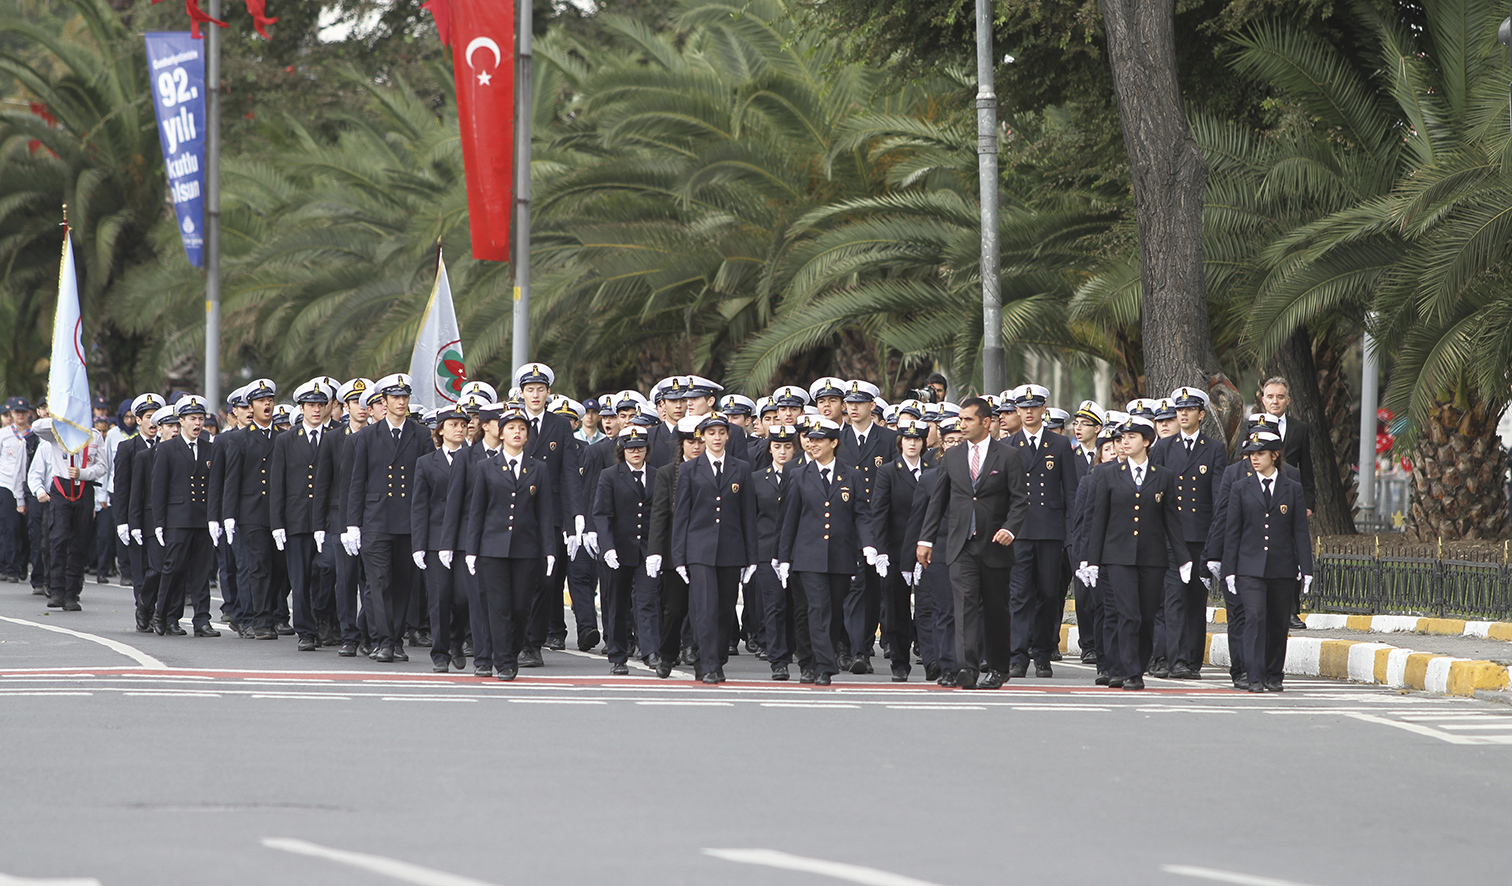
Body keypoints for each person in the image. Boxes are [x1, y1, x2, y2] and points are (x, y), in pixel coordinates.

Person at [916, 398, 1027, 690]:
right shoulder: (952, 457)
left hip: (994, 544)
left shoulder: (1008, 456)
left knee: (995, 610)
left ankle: (998, 667)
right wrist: (926, 540)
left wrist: (1010, 529)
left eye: (967, 420)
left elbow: (1020, 500)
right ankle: (967, 667)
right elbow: (938, 501)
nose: (961, 425)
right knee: (963, 606)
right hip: (960, 544)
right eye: (960, 419)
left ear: (986, 422)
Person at [1082, 416, 1192, 690]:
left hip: (1152, 558)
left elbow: (1172, 521)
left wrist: (1183, 558)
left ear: (1146, 441)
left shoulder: (1163, 476)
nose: (1125, 442)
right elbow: (1099, 520)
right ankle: (1128, 671)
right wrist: (1092, 559)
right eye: (1122, 438)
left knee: (1145, 616)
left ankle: (1137, 666)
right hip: (1117, 558)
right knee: (1127, 614)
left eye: (1131, 437)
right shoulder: (1108, 474)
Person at [777, 418, 881, 686]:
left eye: (819, 440)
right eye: (810, 440)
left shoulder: (852, 475)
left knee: (834, 612)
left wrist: (869, 544)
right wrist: (784, 557)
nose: (813, 444)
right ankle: (824, 666)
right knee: (817, 608)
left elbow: (861, 514)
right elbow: (789, 518)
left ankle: (813, 659)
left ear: (834, 443)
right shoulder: (798, 475)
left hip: (841, 555)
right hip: (808, 556)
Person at [344, 373, 431, 663]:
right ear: (383, 402)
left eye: (405, 397)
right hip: (376, 520)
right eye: (395, 397)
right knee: (379, 583)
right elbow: (357, 483)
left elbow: (428, 481)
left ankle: (396, 638)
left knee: (403, 584)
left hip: (408, 521)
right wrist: (353, 524)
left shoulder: (419, 435)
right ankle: (384, 641)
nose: (401, 402)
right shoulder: (368, 436)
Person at [461, 406, 553, 681]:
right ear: (500, 433)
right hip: (492, 549)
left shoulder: (539, 468)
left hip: (526, 549)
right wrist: (471, 550)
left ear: (528, 436)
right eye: (511, 428)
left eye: (522, 429)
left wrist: (549, 550)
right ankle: (503, 663)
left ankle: (510, 653)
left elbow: (545, 513)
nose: (517, 432)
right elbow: (477, 511)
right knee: (498, 608)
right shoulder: (485, 467)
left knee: (520, 607)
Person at [670, 412, 759, 683]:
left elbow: (748, 514)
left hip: (732, 550)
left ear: (728, 436)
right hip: (700, 550)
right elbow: (681, 515)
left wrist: (752, 557)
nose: (717, 438)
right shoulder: (689, 469)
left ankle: (716, 659)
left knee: (724, 610)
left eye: (721, 433)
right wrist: (679, 556)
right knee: (705, 608)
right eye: (711, 433)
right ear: (703, 436)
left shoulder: (741, 468)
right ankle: (708, 663)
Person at [1221, 431, 1312, 692]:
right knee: (1255, 617)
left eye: (1260, 453)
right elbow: (1232, 531)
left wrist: (1306, 568)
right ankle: (1254, 676)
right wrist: (1229, 569)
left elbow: (1299, 531)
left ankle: (1274, 674)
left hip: (1282, 567)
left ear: (1275, 455)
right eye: (1251, 454)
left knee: (1277, 621)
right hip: (1249, 567)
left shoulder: (1291, 488)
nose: (1254, 459)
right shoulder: (1241, 488)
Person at [1148, 386, 1226, 680]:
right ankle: (1173, 659)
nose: (1182, 414)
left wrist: (1215, 540)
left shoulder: (1214, 449)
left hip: (1200, 537)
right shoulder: (1164, 448)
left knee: (1196, 601)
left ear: (1201, 414)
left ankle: (1191, 659)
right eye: (1180, 409)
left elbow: (1218, 498)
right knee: (1174, 599)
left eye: (1189, 409)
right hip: (1172, 537)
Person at [1004, 384, 1079, 679]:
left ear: (1043, 410)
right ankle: (1018, 656)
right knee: (1020, 595)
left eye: (1034, 407)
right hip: (1019, 532)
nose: (1028, 412)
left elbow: (1071, 492)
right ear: (1018, 412)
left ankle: (1043, 655)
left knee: (1048, 595)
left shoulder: (1059, 445)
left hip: (1050, 532)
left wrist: (1071, 533)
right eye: (1023, 408)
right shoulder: (1009, 445)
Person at [837, 379, 897, 671]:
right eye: (849, 403)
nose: (853, 408)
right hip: (845, 526)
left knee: (873, 589)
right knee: (852, 586)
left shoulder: (887, 440)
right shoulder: (838, 438)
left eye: (859, 403)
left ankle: (859, 645)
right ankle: (854, 648)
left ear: (872, 405)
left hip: (878, 525)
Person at [271, 380, 334, 652]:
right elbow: (278, 484)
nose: (317, 410)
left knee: (327, 571)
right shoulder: (286, 440)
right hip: (296, 519)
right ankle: (306, 631)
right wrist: (277, 524)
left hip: (328, 519)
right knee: (300, 577)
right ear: (302, 408)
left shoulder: (335, 436)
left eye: (321, 405)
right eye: (311, 406)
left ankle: (323, 620)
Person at [222, 379, 287, 641]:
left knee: (279, 568)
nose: (267, 404)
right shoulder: (239, 439)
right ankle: (260, 620)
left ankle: (269, 613)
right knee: (258, 566)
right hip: (252, 512)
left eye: (270, 399)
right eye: (261, 401)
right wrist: (228, 515)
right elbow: (231, 480)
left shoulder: (284, 437)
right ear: (251, 407)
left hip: (280, 512)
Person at [870, 417, 933, 681]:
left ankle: (932, 661)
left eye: (917, 439)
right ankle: (899, 662)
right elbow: (879, 513)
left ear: (923, 443)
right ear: (900, 442)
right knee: (896, 610)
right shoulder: (888, 471)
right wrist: (881, 550)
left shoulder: (933, 469)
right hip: (895, 551)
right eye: (908, 439)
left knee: (928, 609)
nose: (912, 444)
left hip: (926, 550)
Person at [149, 395, 218, 636]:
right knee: (173, 569)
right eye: (192, 419)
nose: (197, 423)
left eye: (200, 418)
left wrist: (215, 518)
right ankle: (164, 615)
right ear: (181, 421)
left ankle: (202, 620)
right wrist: (159, 523)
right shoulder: (168, 448)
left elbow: (215, 485)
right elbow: (158, 488)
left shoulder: (210, 447)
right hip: (177, 518)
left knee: (201, 571)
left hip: (202, 518)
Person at [593, 425, 658, 674]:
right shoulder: (610, 475)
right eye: (631, 448)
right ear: (623, 450)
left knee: (647, 601)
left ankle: (650, 651)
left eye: (640, 447)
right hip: (618, 551)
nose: (636, 452)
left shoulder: (656, 475)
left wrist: (657, 549)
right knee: (618, 605)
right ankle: (618, 655)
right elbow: (602, 514)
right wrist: (607, 547)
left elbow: (659, 515)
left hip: (646, 550)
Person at [412, 404, 470, 672]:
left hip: (464, 539)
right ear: (440, 430)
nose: (459, 429)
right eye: (453, 425)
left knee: (461, 597)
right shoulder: (426, 462)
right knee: (439, 598)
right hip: (436, 540)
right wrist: (419, 545)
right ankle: (440, 653)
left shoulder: (474, 459)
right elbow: (420, 505)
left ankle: (457, 640)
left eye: (462, 424)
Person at [31, 417, 106, 611]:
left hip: (84, 488)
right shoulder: (57, 431)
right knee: (58, 539)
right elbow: (36, 427)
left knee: (79, 543)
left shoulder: (94, 436)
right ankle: (57, 590)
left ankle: (72, 593)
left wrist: (83, 473)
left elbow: (102, 466)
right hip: (61, 489)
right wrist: (59, 418)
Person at [648, 416, 703, 678]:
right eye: (691, 441)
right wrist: (655, 551)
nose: (696, 446)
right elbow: (659, 515)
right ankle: (667, 655)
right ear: (682, 444)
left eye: (700, 441)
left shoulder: (713, 470)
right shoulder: (668, 473)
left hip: (705, 550)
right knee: (674, 608)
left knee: (704, 607)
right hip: (675, 551)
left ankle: (700, 654)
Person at [752, 425, 797, 679]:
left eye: (788, 446)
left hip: (795, 552)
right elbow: (750, 518)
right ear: (770, 449)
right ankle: (777, 658)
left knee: (794, 605)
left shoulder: (802, 476)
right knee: (774, 605)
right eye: (777, 446)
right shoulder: (757, 479)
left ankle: (792, 648)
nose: (782, 451)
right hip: (766, 551)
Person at [207, 386, 248, 631]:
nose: (248, 412)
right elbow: (217, 481)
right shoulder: (223, 440)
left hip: (251, 510)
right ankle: (231, 606)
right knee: (229, 563)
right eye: (242, 408)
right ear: (233, 413)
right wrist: (216, 516)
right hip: (227, 510)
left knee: (247, 565)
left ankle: (243, 609)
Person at [1, 397, 35, 584]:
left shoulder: (34, 433)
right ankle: (10, 567)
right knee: (10, 527)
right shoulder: (4, 434)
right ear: (12, 414)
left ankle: (23, 564)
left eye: (23, 412)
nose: (20, 415)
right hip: (6, 484)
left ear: (29, 413)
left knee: (26, 528)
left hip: (29, 484)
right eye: (16, 412)